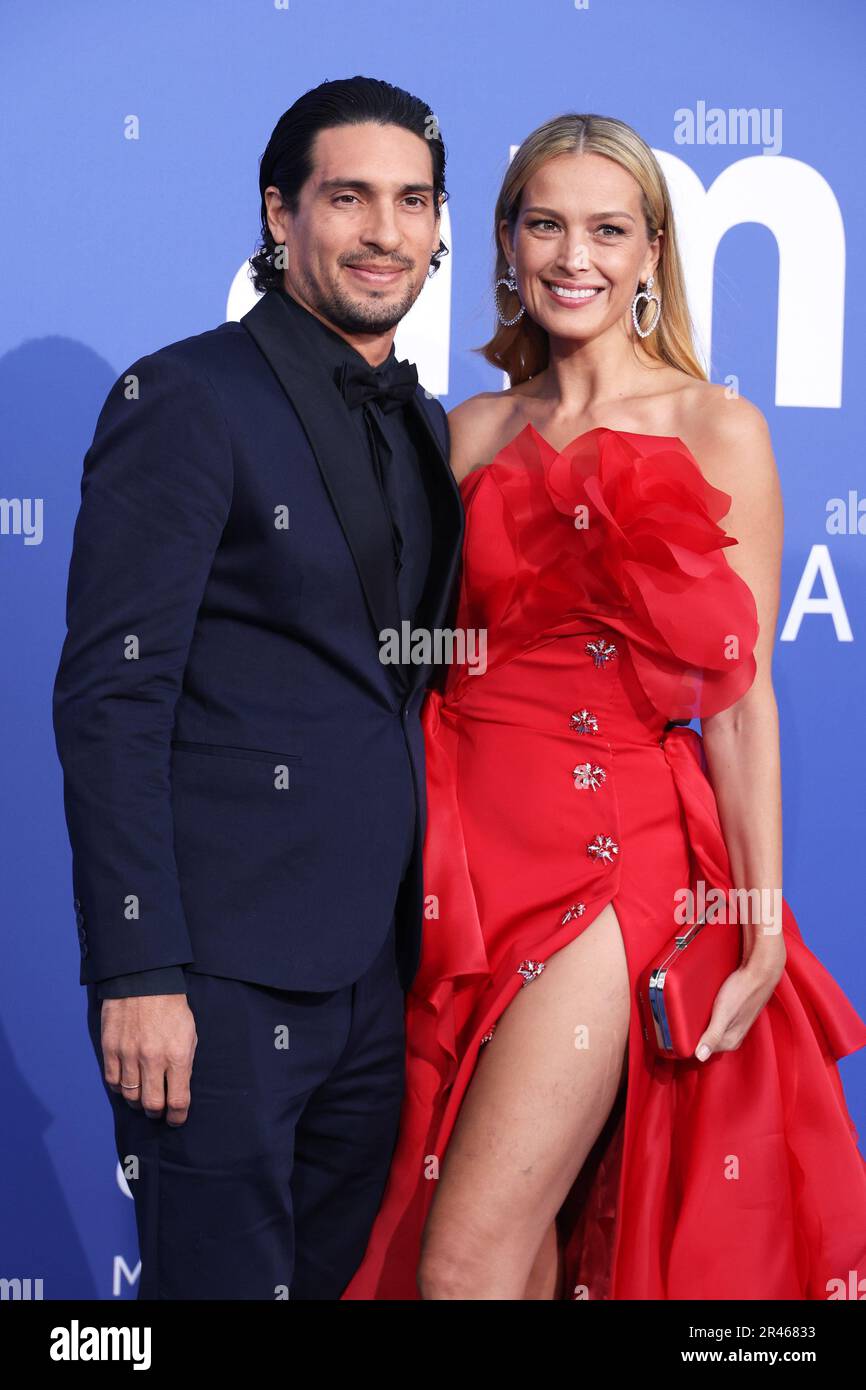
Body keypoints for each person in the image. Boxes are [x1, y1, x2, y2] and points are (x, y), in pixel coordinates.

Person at [341, 112, 866, 1301]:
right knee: (512, 1243)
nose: (573, 255)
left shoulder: (713, 426)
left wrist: (760, 919)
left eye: (606, 229)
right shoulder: (465, 432)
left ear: (649, 255)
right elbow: (416, 654)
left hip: (601, 865)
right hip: (452, 862)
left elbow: (737, 705)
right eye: (545, 224)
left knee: (461, 1263)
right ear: (505, 248)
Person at [52, 76, 463, 1299]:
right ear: (279, 215)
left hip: (373, 973)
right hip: (214, 979)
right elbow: (111, 699)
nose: (384, 232)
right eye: (348, 198)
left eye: (412, 201)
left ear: (440, 226)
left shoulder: (427, 425)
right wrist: (136, 972)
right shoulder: (181, 396)